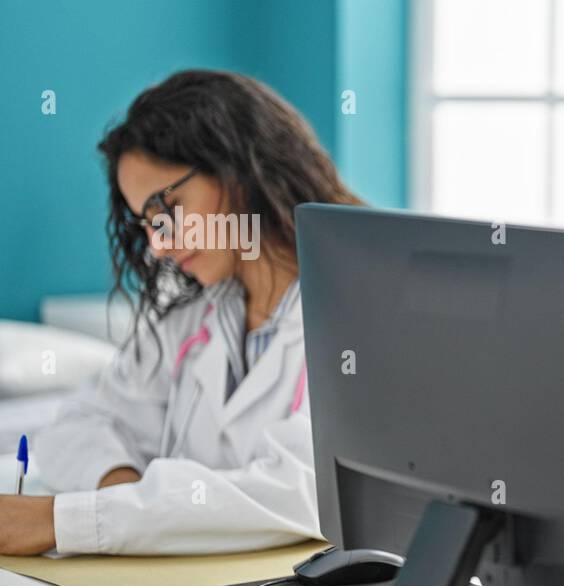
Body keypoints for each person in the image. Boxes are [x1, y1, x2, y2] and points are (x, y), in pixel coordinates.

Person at [0, 70, 361, 556]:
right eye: (147, 223)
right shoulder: (195, 318)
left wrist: (68, 521)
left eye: (167, 209)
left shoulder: (356, 317)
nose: (158, 242)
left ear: (238, 168)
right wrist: (125, 493)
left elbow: (300, 490)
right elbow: (74, 427)